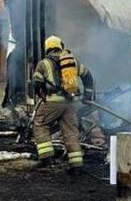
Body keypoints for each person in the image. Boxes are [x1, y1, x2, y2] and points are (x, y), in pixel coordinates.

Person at [32, 35, 95, 173]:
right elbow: (88, 76)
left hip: (52, 102)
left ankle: (46, 158)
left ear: (47, 48)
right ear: (61, 46)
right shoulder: (72, 61)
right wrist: (87, 95)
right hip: (70, 103)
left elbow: (37, 83)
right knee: (71, 132)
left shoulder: (43, 63)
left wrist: (42, 95)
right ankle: (76, 165)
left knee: (40, 124)